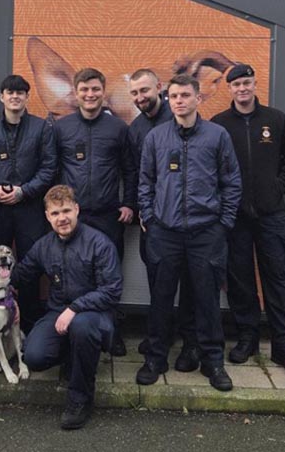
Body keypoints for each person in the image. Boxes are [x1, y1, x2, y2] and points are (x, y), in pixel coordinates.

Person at [136, 73, 241, 391]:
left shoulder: (217, 136)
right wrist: (151, 218)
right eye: (174, 96)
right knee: (161, 298)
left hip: (205, 232)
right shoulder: (155, 137)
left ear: (198, 98)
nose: (179, 101)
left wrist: (223, 224)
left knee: (207, 299)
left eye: (185, 95)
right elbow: (146, 182)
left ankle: (213, 361)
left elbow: (231, 182)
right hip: (164, 232)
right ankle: (155, 358)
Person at [211, 64, 285, 376]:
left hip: (271, 216)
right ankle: (247, 338)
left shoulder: (275, 120)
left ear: (254, 85)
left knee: (278, 280)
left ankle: (284, 346)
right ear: (230, 89)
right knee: (240, 281)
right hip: (235, 218)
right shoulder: (220, 125)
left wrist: (278, 187)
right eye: (236, 84)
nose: (242, 88)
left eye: (247, 83)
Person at [14, 185, 122, 430]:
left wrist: (75, 308)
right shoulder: (43, 245)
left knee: (82, 328)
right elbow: (22, 275)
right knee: (34, 356)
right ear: (47, 216)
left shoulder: (99, 243)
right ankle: (74, 356)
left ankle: (80, 399)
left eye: (66, 211)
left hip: (95, 315)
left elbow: (112, 291)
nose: (61, 218)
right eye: (55, 213)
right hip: (58, 313)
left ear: (76, 209)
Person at [53, 67, 137, 356]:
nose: (90, 95)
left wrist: (130, 203)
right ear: (75, 94)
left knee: (109, 275)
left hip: (107, 215)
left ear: (103, 92)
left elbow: (130, 169)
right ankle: (71, 330)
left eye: (95, 90)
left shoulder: (118, 129)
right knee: (73, 273)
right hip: (71, 218)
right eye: (84, 90)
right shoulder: (61, 128)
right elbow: (53, 171)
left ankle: (109, 332)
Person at [0, 74, 57, 331]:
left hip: (30, 208)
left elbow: (49, 168)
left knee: (30, 266)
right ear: (1, 96)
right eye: (10, 92)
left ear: (27, 97)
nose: (15, 96)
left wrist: (24, 191)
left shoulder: (42, 128)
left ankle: (28, 325)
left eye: (20, 92)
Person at [127, 69, 197, 370]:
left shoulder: (179, 117)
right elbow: (137, 174)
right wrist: (141, 210)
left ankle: (190, 342)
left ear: (159, 87)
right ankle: (162, 335)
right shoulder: (136, 128)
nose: (141, 97)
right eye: (135, 93)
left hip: (192, 221)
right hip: (155, 222)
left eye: (145, 90)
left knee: (192, 284)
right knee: (160, 283)